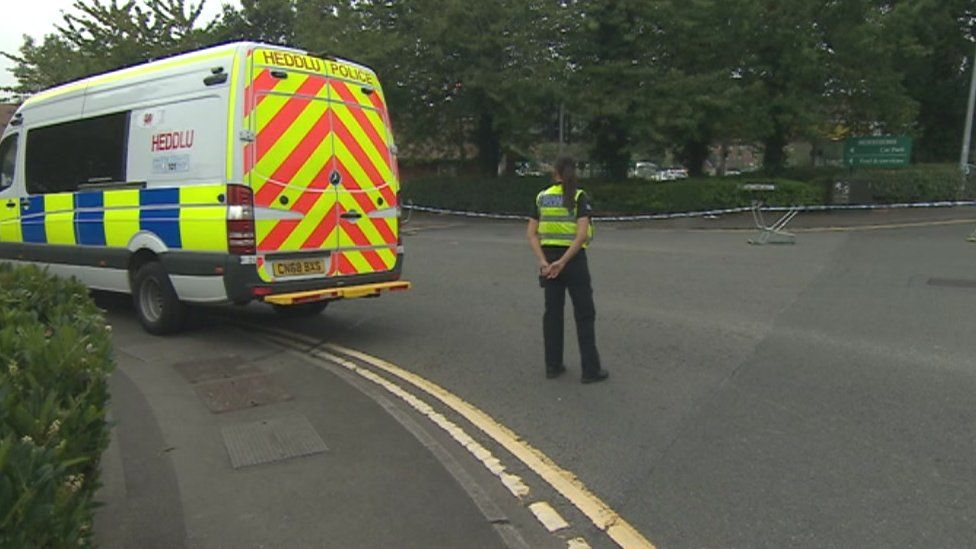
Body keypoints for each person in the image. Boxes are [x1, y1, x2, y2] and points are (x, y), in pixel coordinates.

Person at [526, 157, 609, 384]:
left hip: (549, 260)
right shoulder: (579, 197)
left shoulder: (542, 197)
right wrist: (563, 261)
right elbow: (582, 234)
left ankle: (552, 366)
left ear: (555, 173)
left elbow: (531, 233)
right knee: (584, 314)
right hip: (573, 261)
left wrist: (544, 261)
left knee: (552, 313)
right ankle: (590, 370)